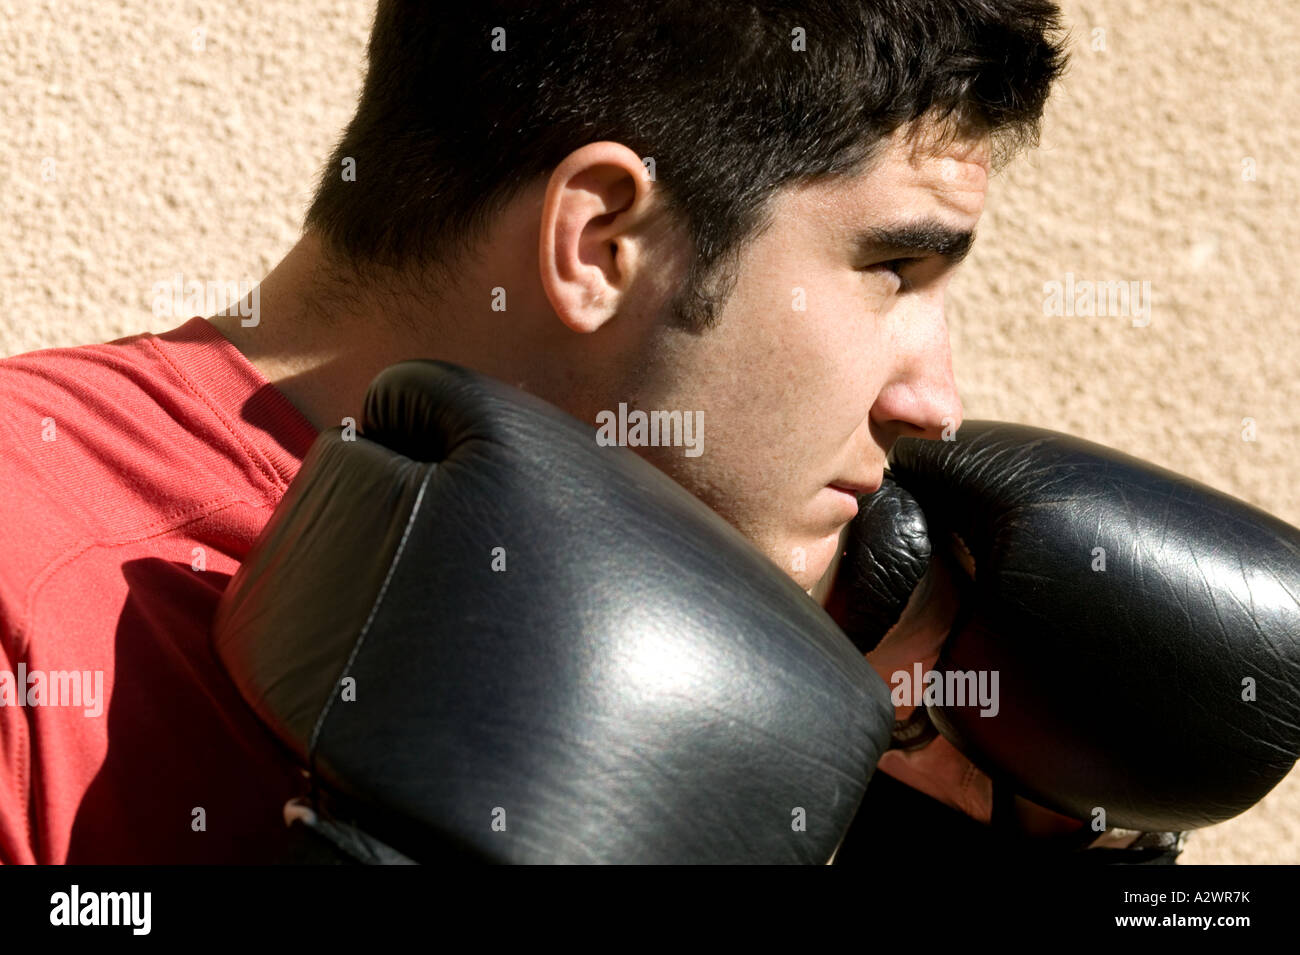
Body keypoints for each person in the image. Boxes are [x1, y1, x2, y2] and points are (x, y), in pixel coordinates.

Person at [0, 0, 1070, 863]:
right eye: (894, 270)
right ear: (602, 242)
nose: (935, 402)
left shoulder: (817, 678)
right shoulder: (29, 586)